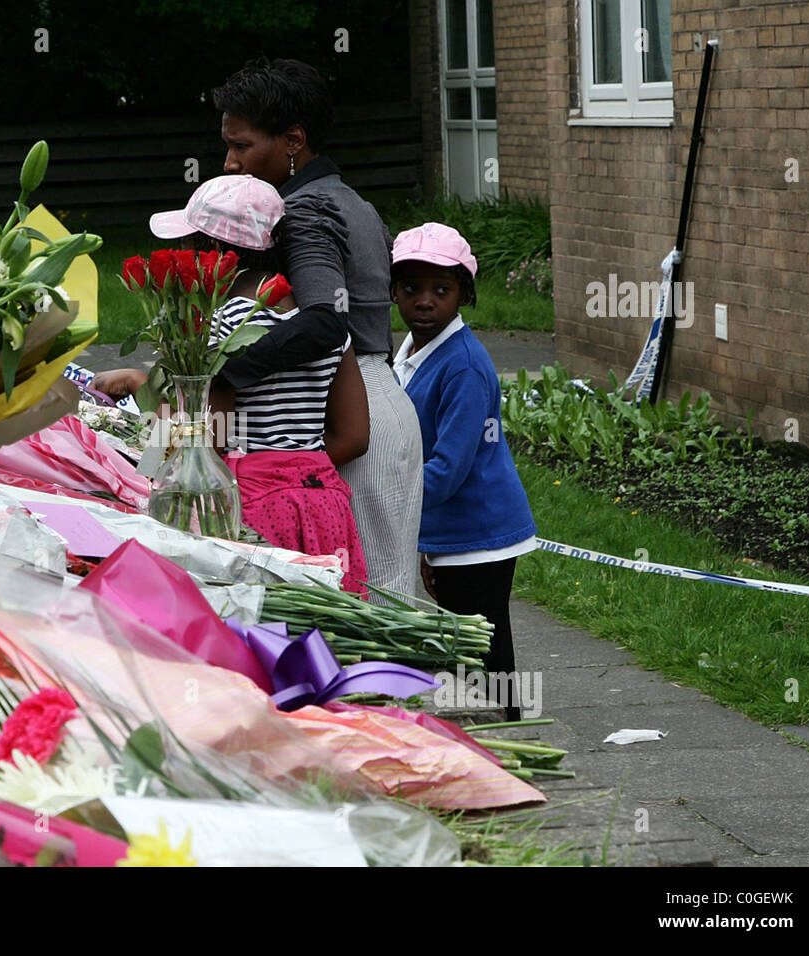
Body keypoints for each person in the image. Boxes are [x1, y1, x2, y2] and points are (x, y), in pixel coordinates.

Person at [209, 58, 424, 600]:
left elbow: (326, 321)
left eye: (241, 146)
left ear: (292, 141)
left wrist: (221, 373)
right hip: (375, 398)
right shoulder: (351, 198)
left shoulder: (302, 210)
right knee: (386, 599)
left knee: (364, 615)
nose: (230, 163)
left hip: (347, 415)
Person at [103, 176, 371, 591]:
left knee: (258, 621)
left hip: (250, 500)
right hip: (324, 500)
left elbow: (208, 439)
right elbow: (354, 436)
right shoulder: (329, 331)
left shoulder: (218, 329)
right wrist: (293, 469)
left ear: (211, 255)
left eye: (190, 248)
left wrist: (147, 398)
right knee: (325, 625)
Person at [389, 223, 538, 721]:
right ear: (393, 293)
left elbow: (448, 469)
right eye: (410, 289)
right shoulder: (410, 352)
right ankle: (489, 727)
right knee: (464, 642)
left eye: (441, 290)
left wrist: (385, 501)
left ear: (465, 295)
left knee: (483, 645)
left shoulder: (465, 366)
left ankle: (508, 733)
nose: (424, 301)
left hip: (480, 530)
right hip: (447, 530)